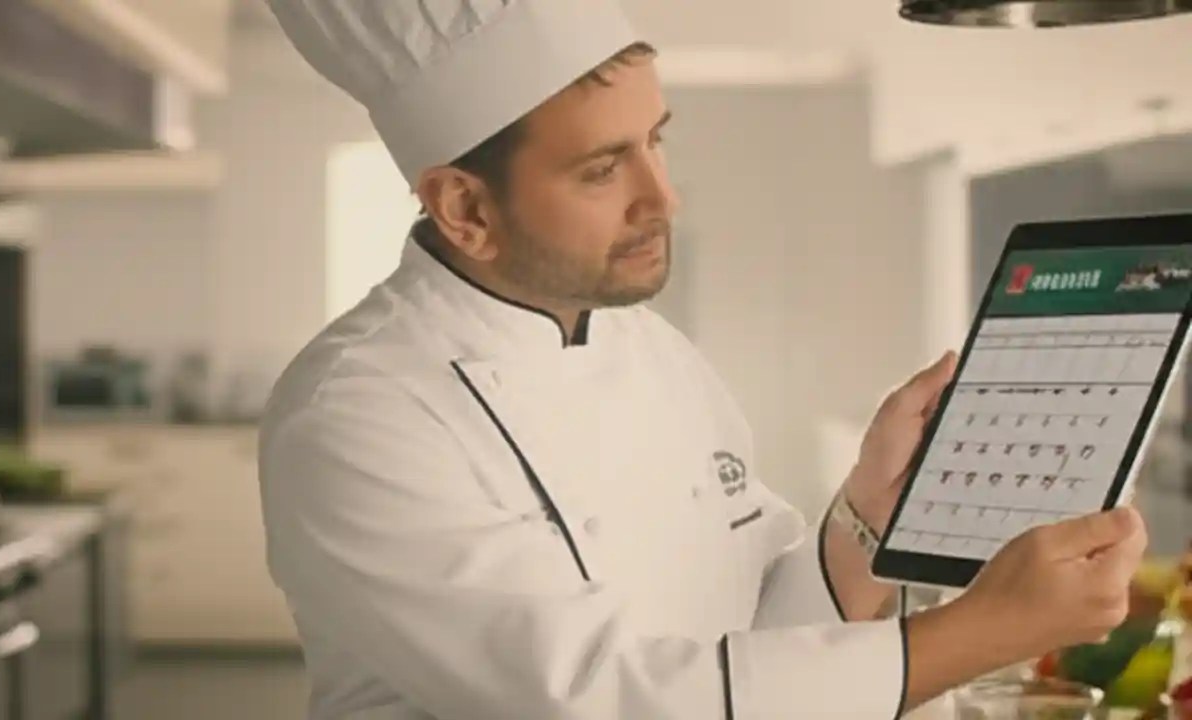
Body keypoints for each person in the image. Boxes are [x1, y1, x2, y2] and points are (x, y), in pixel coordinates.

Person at [256, 1, 1149, 717]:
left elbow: (750, 633)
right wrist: (984, 630)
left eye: (657, 139)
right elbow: (603, 700)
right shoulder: (358, 413)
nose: (665, 196)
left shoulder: (654, 350)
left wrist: (865, 513)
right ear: (464, 209)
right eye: (604, 169)